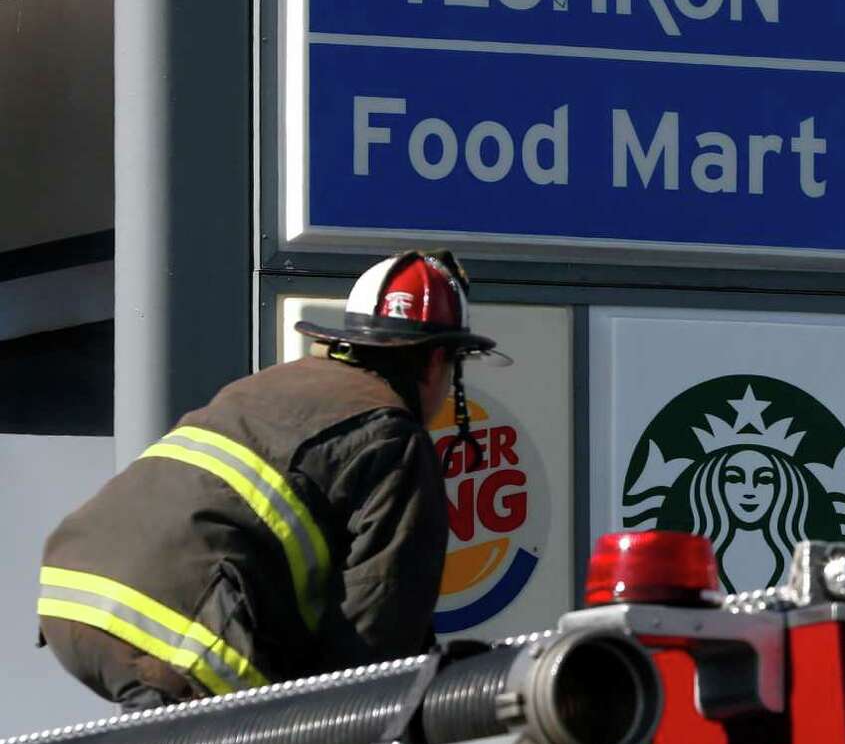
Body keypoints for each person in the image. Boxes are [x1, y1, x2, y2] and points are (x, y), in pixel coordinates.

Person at [37, 250, 503, 711]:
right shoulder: (394, 437)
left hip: (71, 595)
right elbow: (379, 624)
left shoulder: (267, 385)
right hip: (178, 627)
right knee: (263, 742)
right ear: (437, 362)